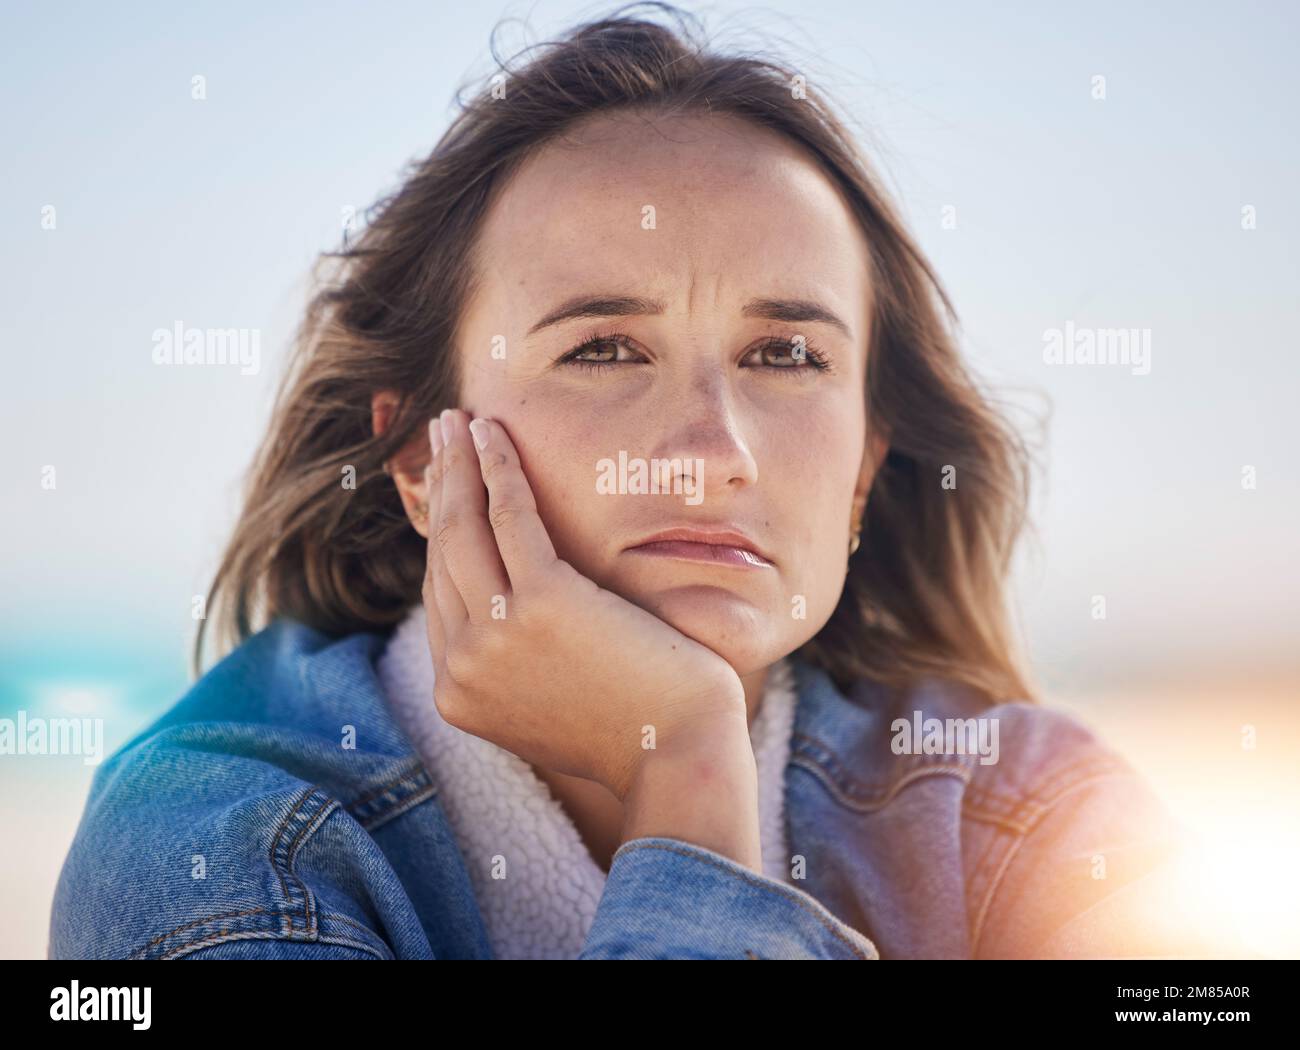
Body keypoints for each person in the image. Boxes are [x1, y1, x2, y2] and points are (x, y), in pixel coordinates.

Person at [49, 4, 1225, 960]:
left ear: (866, 471)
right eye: (602, 348)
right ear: (419, 456)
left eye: (786, 355)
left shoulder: (1030, 809)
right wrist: (689, 778)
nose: (715, 450)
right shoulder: (209, 841)